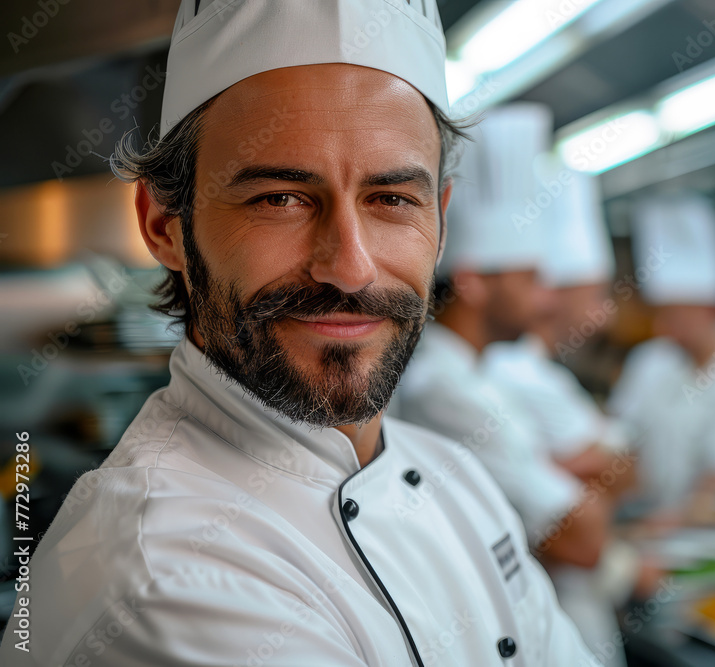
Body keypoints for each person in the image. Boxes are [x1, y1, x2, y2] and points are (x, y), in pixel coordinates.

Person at [0, 2, 598, 665]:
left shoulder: (457, 477)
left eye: (392, 199)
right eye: (278, 198)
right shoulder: (167, 574)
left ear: (441, 221)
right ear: (164, 225)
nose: (349, 266)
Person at [393, 105, 649, 666]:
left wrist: (557, 472)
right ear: (474, 281)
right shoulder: (444, 387)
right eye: (530, 278)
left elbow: (615, 477)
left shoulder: (481, 374)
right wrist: (568, 475)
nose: (546, 299)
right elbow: (580, 534)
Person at [480, 164, 656, 666]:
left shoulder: (542, 372)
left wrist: (574, 465)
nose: (604, 314)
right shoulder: (519, 375)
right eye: (597, 293)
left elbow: (625, 472)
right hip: (560, 601)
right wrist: (591, 466)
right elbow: (584, 520)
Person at [609, 193, 715, 517]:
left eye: (675, 316)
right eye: (660, 314)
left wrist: (675, 520)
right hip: (650, 519)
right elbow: (622, 442)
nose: (663, 328)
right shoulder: (650, 361)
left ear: (711, 309)